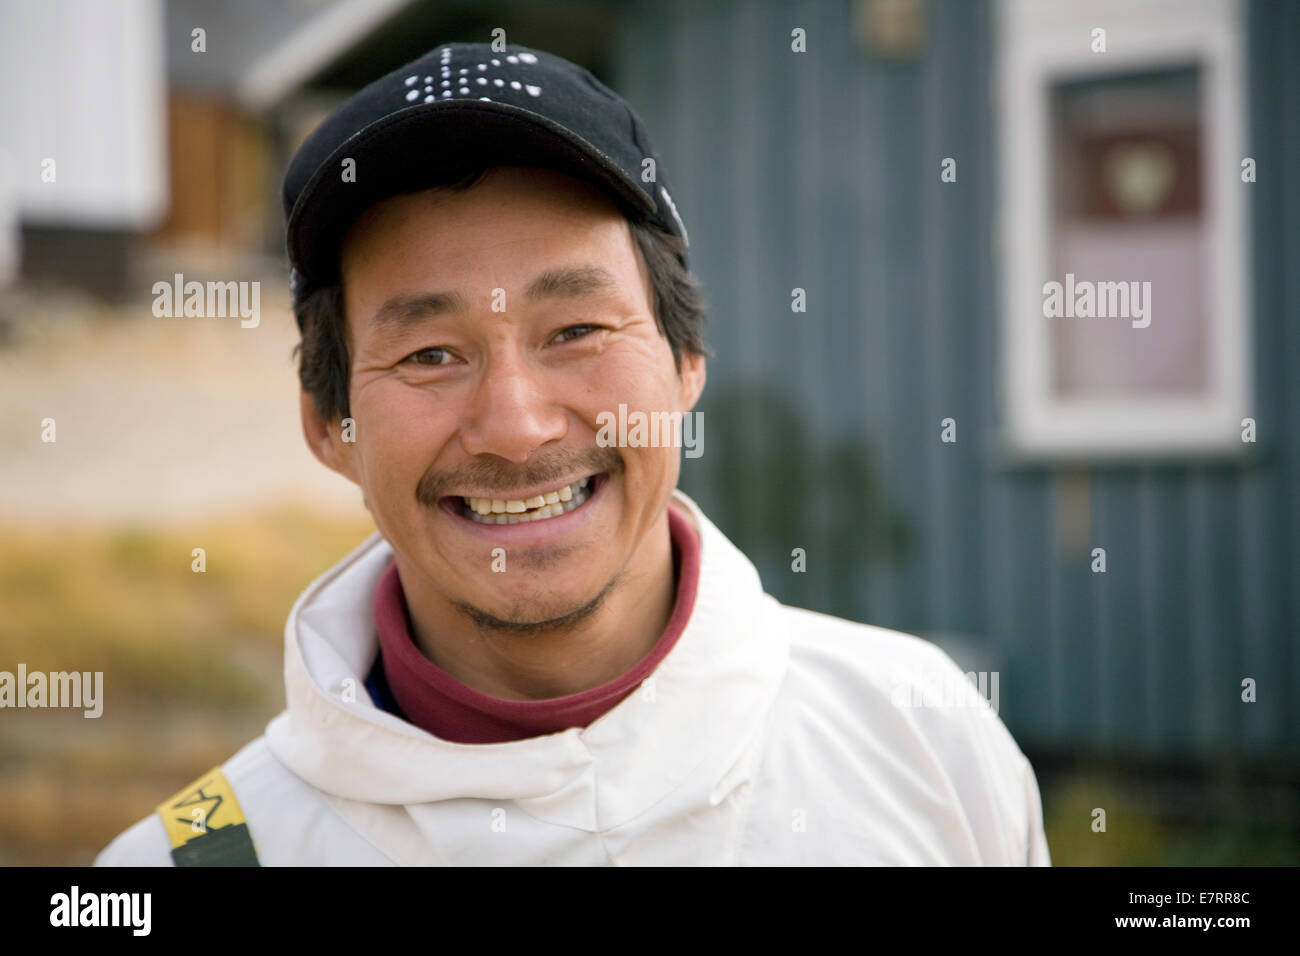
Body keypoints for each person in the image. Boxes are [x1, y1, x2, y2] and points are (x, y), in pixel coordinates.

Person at [96, 42, 1050, 866]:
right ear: (327, 424)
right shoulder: (194, 861)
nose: (516, 425)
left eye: (578, 329)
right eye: (432, 354)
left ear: (685, 364)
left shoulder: (923, 738)